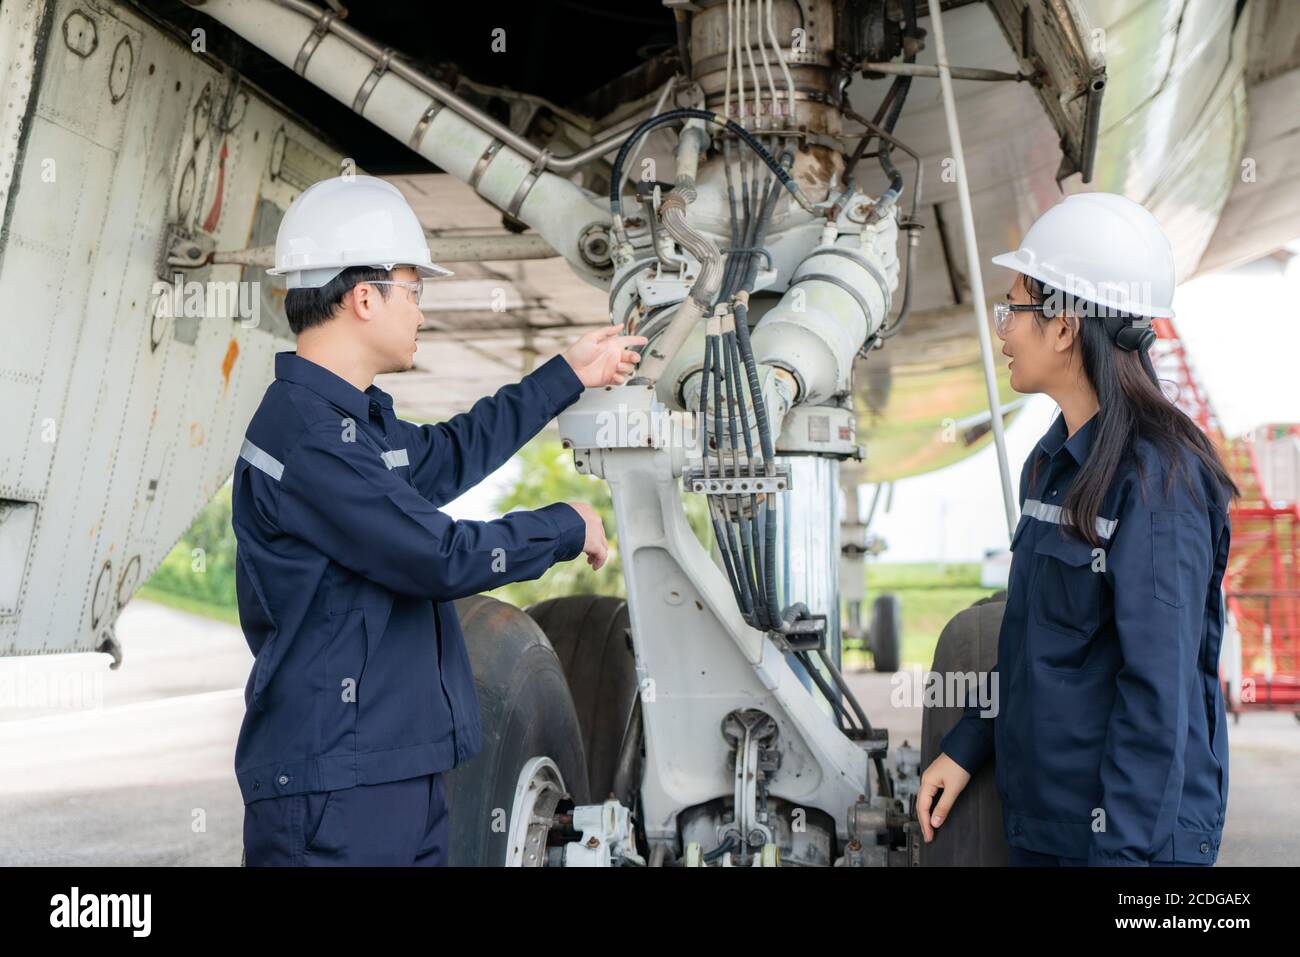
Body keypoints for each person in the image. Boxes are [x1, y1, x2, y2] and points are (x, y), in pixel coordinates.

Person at [232, 175, 646, 865]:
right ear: (364, 297)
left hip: (395, 773)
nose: (422, 311)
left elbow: (451, 453)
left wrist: (568, 374)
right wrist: (564, 526)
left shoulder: (353, 424)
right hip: (336, 787)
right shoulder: (308, 440)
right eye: (412, 290)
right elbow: (440, 556)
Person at [917, 192, 1238, 866]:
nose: (1003, 330)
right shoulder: (1053, 462)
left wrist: (1118, 859)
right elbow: (1031, 638)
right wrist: (968, 744)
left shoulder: (1158, 481)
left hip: (1126, 845)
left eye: (1015, 309)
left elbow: (1158, 699)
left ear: (1064, 326)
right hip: (1049, 833)